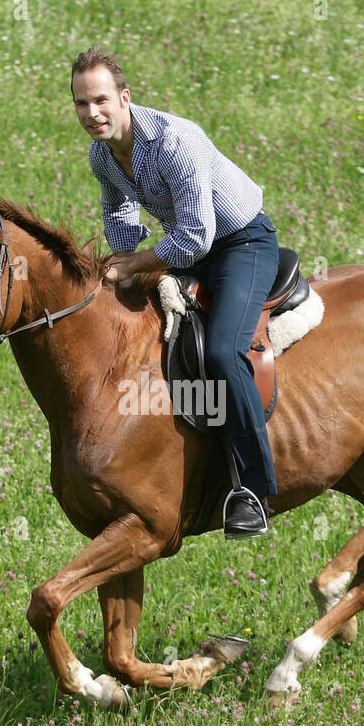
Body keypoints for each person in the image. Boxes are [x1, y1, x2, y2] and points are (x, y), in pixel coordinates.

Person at [71, 47, 279, 539]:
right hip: (187, 248)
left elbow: (196, 236)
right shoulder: (103, 154)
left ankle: (254, 489)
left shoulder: (174, 140)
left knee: (226, 352)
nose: (91, 114)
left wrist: (136, 264)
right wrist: (115, 270)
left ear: (124, 97)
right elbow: (120, 215)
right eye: (81, 104)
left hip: (239, 244)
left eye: (100, 100)